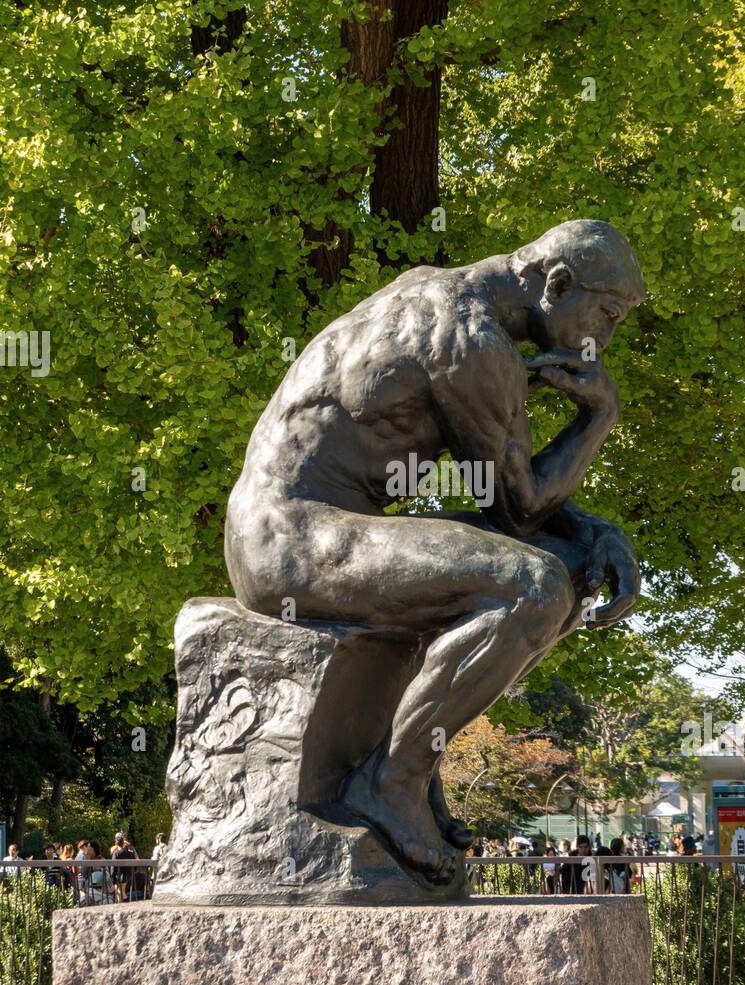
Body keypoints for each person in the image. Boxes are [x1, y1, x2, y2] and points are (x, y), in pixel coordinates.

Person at [224, 220, 644, 885]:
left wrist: (596, 536)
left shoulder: (457, 307)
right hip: (289, 537)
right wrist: (599, 417)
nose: (606, 338)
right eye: (608, 315)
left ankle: (403, 766)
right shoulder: (469, 339)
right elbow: (523, 505)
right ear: (557, 284)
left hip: (322, 526)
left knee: (559, 568)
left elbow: (512, 494)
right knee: (535, 585)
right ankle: (391, 784)